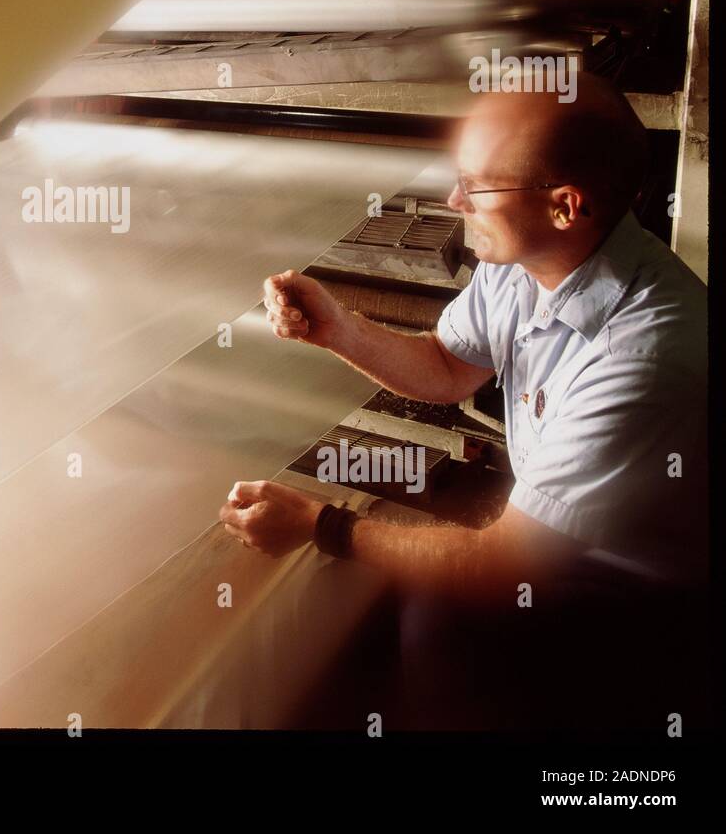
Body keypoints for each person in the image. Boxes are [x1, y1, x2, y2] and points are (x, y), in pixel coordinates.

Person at [219, 72, 708, 729]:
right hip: (577, 548)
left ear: (565, 205)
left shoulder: (642, 355)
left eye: (477, 187)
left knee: (443, 622)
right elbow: (449, 367)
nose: (454, 199)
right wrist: (338, 325)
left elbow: (505, 563)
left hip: (651, 596)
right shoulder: (525, 259)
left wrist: (321, 525)